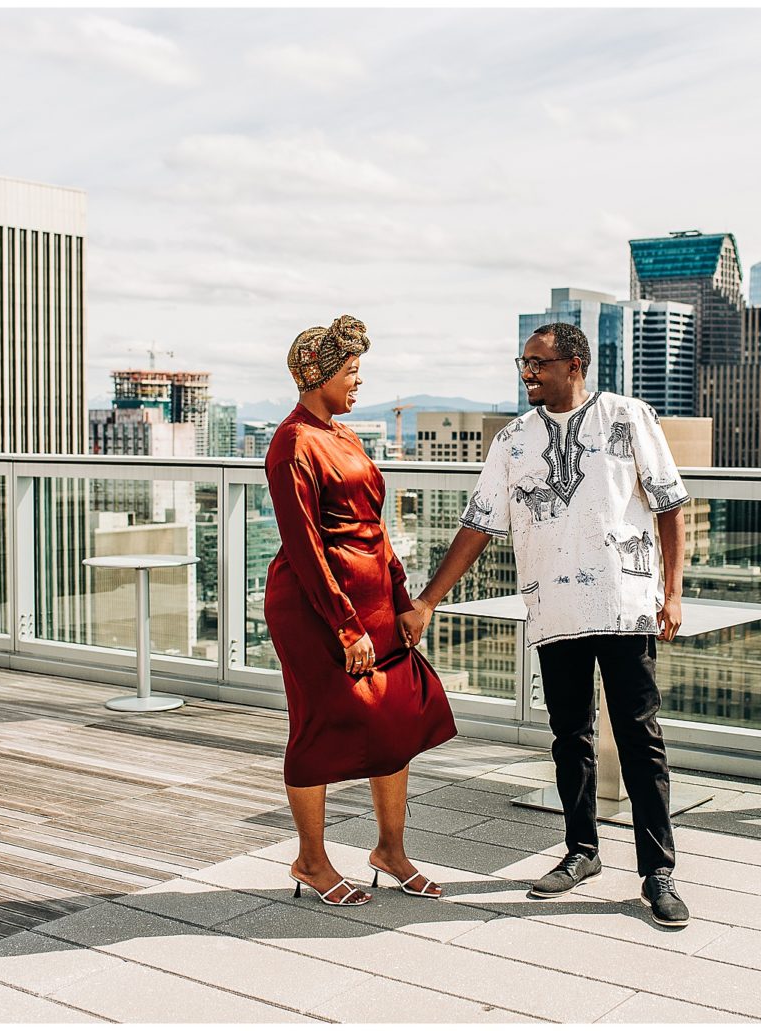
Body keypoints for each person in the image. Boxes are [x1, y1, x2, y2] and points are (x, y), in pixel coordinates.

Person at [403, 322, 692, 927]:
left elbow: (669, 504)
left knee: (640, 737)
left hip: (624, 605)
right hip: (553, 611)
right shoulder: (512, 442)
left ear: (575, 363)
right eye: (523, 363)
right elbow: (478, 526)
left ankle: (656, 871)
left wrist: (671, 592)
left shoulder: (629, 416)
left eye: (538, 363)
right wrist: (428, 599)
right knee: (569, 737)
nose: (527, 373)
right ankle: (580, 852)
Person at [264, 314, 457, 906]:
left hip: (375, 603)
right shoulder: (292, 444)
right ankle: (311, 861)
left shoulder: (346, 436)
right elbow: (305, 549)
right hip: (315, 610)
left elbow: (376, 531)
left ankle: (390, 851)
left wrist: (403, 601)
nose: (358, 383)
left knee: (396, 723)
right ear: (317, 376)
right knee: (319, 725)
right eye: (350, 373)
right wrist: (346, 627)